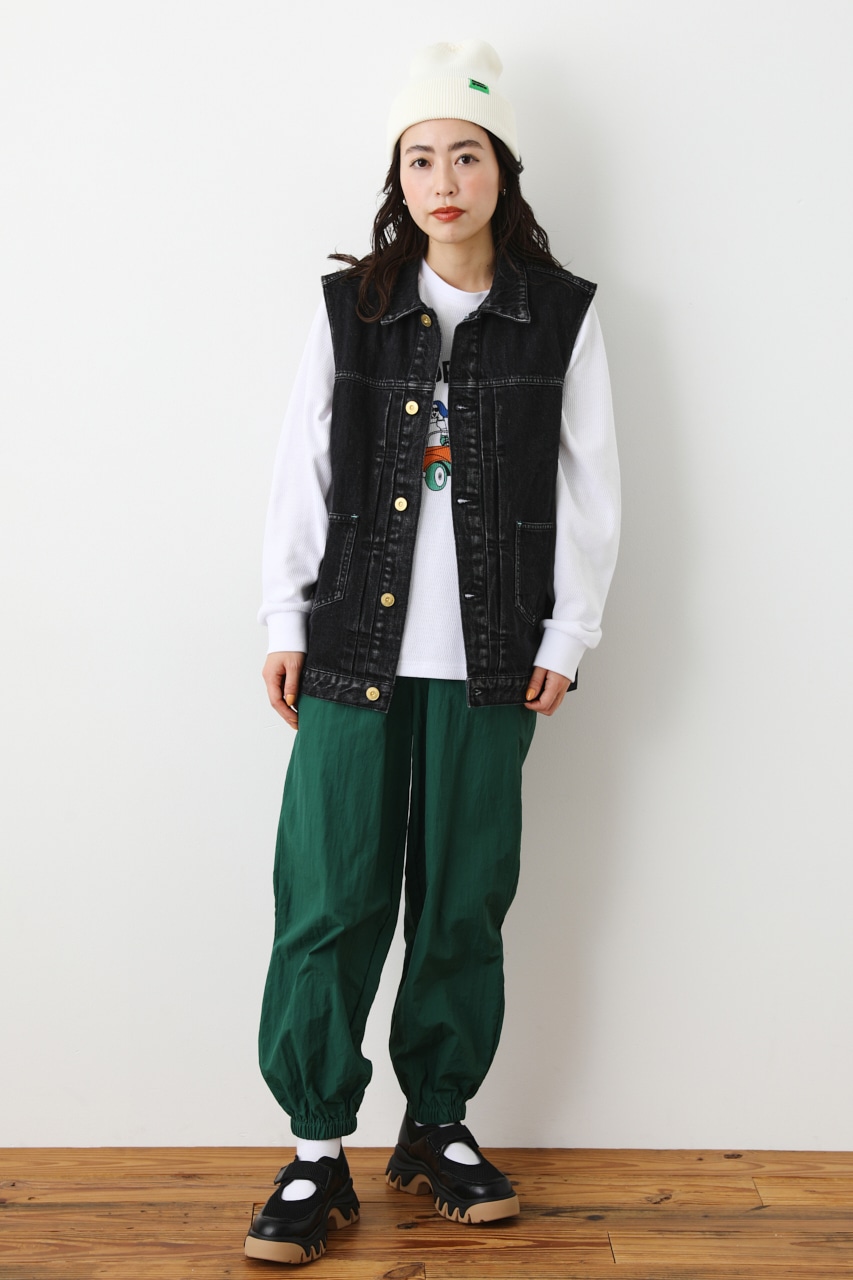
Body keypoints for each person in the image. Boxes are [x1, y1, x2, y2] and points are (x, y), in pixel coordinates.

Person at [246, 40, 621, 1265]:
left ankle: (438, 1123)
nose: (442, 180)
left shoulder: (559, 314)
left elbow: (592, 487)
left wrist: (569, 629)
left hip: (494, 654)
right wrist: (283, 618)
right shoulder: (349, 305)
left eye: (465, 156)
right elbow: (301, 468)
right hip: (349, 642)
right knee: (329, 894)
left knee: (464, 895)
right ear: (396, 178)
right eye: (419, 159)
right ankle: (315, 1149)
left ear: (501, 170)